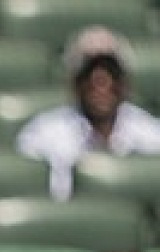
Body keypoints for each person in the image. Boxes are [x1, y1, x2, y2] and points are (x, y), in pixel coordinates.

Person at [17, 25, 160, 201]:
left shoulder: (152, 135)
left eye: (111, 72)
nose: (101, 82)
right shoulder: (42, 137)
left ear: (125, 83)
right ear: (73, 83)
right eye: (88, 72)